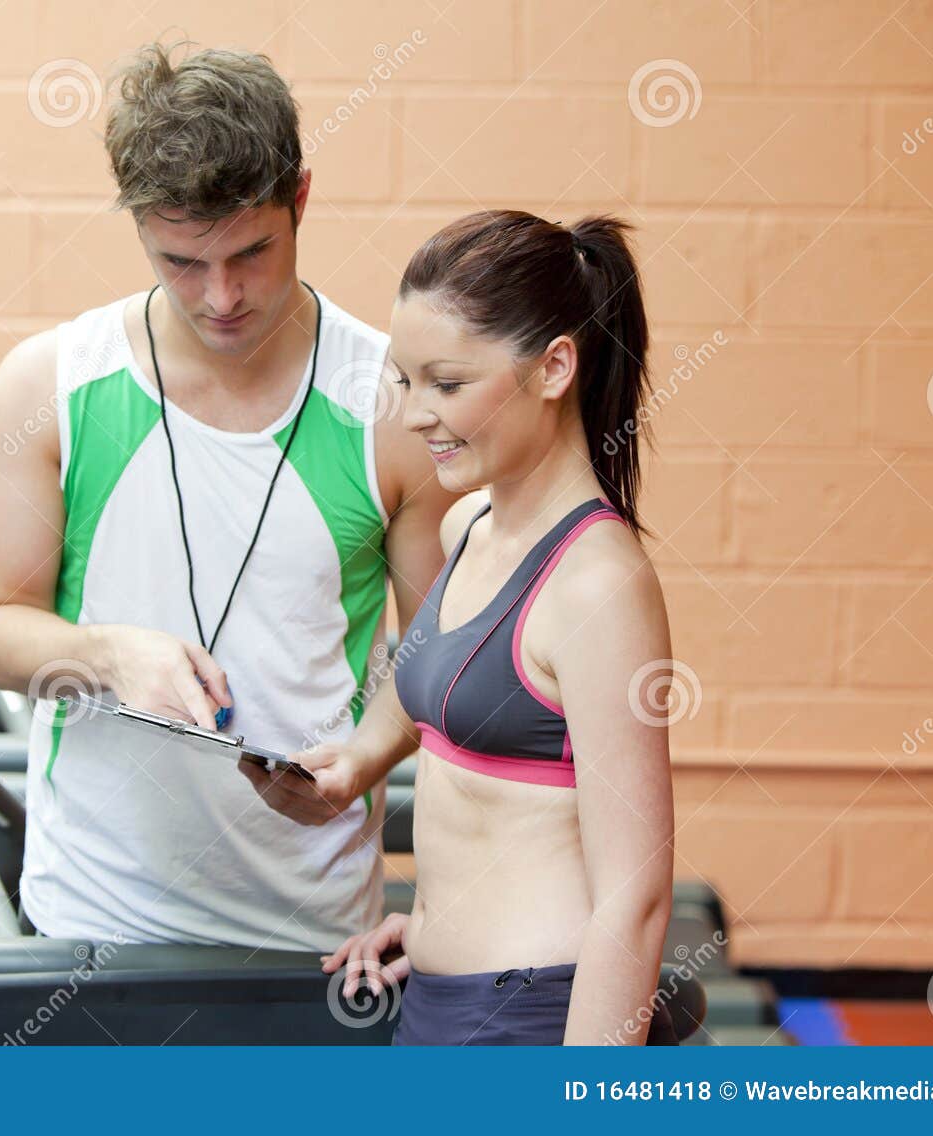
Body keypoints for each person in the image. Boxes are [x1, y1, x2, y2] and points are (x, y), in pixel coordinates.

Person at [0, 43, 457, 950]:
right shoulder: (49, 391)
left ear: (301, 198)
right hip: (96, 924)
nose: (221, 296)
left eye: (252, 253)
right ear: (142, 225)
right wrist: (104, 655)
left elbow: (434, 663)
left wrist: (369, 756)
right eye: (181, 261)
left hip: (313, 932)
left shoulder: (391, 404)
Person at [260, 210, 677, 1044]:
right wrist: (353, 765)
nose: (414, 415)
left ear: (556, 366)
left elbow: (636, 899)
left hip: (528, 1023)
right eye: (405, 383)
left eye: (446, 385)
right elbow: (431, 690)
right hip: (435, 1006)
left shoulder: (598, 585)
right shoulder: (471, 526)